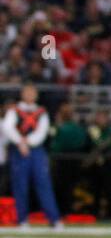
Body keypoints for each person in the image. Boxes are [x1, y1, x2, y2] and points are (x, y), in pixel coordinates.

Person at [2, 84, 63, 228]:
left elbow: (42, 131)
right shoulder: (14, 110)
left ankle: (54, 219)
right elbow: (7, 127)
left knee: (44, 184)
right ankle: (22, 219)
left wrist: (28, 142)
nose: (29, 95)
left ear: (36, 95)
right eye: (27, 92)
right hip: (19, 150)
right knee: (20, 185)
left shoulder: (41, 112)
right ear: (22, 94)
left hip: (35, 150)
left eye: (32, 93)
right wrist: (19, 142)